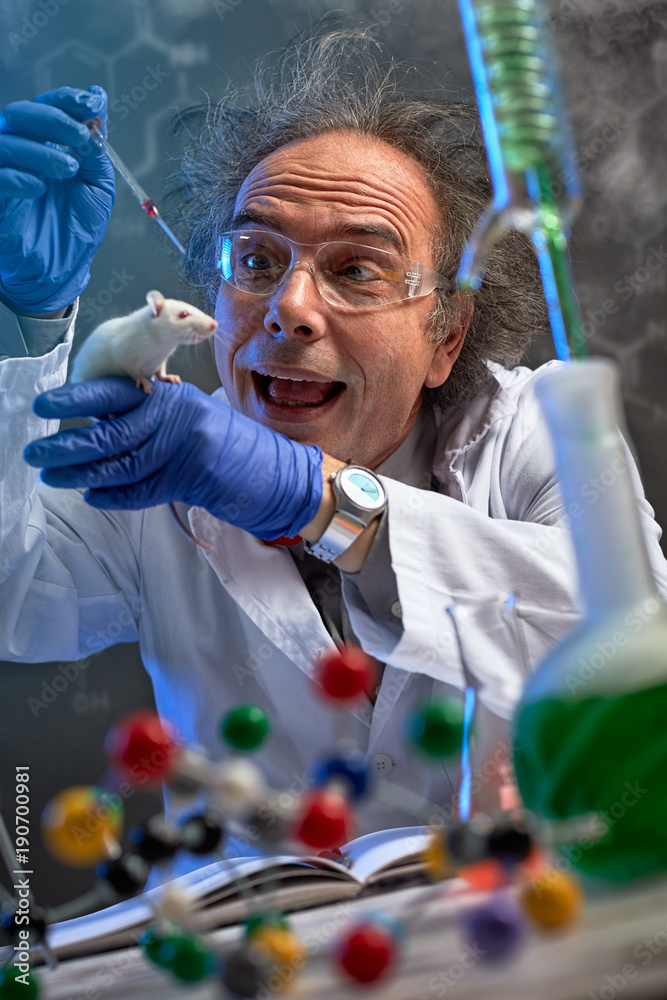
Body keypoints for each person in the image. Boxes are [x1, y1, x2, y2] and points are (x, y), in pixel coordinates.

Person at [1, 31, 666, 857]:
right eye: (255, 258)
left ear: (446, 336)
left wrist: (313, 499)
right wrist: (19, 321)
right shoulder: (159, 465)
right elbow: (13, 596)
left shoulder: (530, 425)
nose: (289, 307)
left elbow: (631, 637)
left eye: (357, 270)